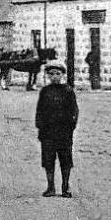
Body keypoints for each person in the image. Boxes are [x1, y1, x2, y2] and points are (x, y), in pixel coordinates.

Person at [36, 60, 78, 198]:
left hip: (64, 133)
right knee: (48, 159)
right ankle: (50, 187)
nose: (55, 76)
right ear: (48, 75)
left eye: (58, 74)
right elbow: (39, 111)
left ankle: (65, 186)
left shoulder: (68, 91)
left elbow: (74, 111)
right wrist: (40, 126)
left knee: (65, 160)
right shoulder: (45, 92)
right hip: (48, 133)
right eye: (52, 74)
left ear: (62, 75)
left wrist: (70, 127)